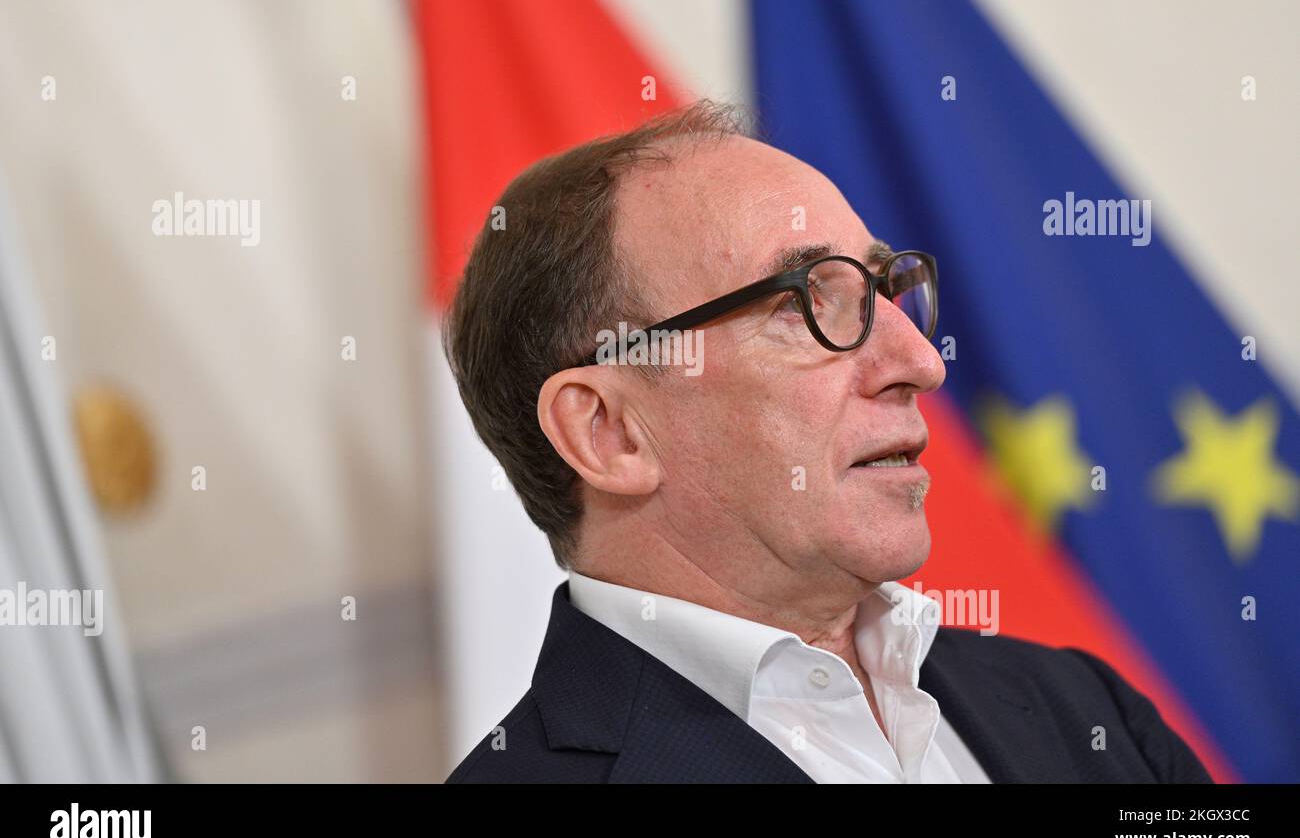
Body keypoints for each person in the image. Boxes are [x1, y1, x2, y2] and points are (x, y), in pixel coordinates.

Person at [442, 100, 1213, 783]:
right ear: (608, 433)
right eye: (804, 303)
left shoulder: (1083, 709)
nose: (920, 362)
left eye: (885, 289)